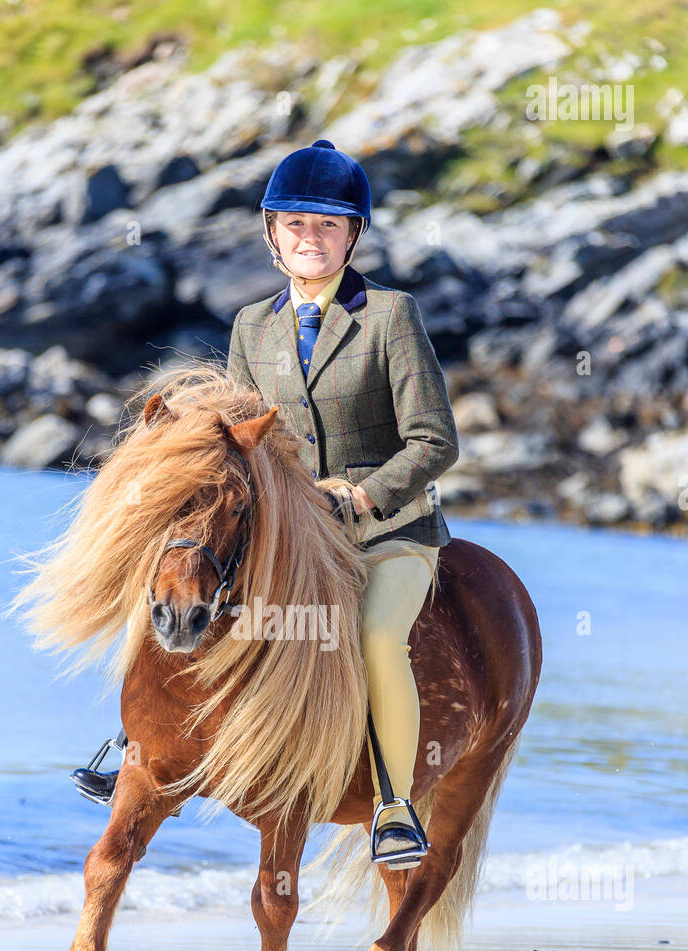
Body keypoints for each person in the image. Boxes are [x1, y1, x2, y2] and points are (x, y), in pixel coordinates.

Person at [72, 138, 459, 870]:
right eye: (296, 225)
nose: (310, 238)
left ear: (352, 236)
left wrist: (362, 495)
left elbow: (434, 441)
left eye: (328, 225)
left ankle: (396, 806)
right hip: (288, 528)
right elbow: (241, 433)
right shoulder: (253, 325)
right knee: (177, 585)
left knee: (377, 633)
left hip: (386, 531)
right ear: (272, 234)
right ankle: (138, 741)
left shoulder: (390, 317)